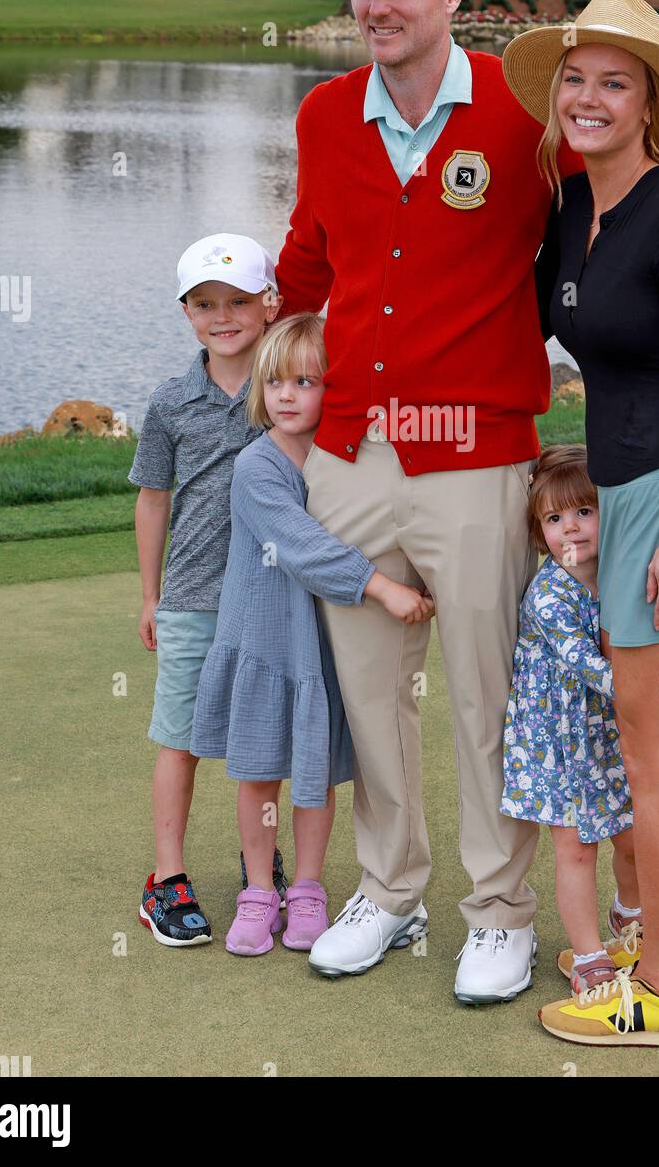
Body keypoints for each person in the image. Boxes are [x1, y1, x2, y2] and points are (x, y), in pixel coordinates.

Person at [274, 0, 583, 1003]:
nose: (376, 5)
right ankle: (388, 893)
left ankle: (499, 912)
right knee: (369, 693)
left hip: (478, 453)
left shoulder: (522, 106)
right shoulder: (322, 116)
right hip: (350, 456)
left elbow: (582, 242)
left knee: (480, 693)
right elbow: (306, 266)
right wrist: (283, 402)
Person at [502, 0, 659, 1045]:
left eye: (614, 82)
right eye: (576, 79)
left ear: (649, 103)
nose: (588, 98)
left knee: (657, 762)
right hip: (621, 504)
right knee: (644, 754)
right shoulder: (572, 207)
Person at [189, 314, 435, 957]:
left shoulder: (338, 461)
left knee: (314, 774)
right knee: (258, 775)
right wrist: (382, 587)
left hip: (319, 648)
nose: (288, 395)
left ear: (335, 388)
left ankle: (306, 889)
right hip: (265, 644)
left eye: (306, 381)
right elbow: (302, 548)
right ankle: (257, 892)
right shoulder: (255, 466)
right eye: (275, 382)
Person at [132, 234, 284, 946]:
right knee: (182, 740)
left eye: (238, 302)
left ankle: (262, 870)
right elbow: (153, 500)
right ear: (188, 313)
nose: (222, 317)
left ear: (268, 304)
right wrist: (149, 594)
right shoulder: (170, 401)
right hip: (192, 595)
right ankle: (167, 878)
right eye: (205, 305)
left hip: (270, 595)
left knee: (263, 743)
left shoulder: (288, 388)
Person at [499, 444, 638, 995]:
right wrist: (648, 692)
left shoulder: (618, 576)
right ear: (540, 533)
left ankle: (630, 915)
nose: (570, 529)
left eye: (583, 511)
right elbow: (590, 665)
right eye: (554, 519)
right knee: (577, 848)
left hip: (605, 737)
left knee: (631, 834)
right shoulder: (549, 593)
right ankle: (588, 955)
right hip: (555, 742)